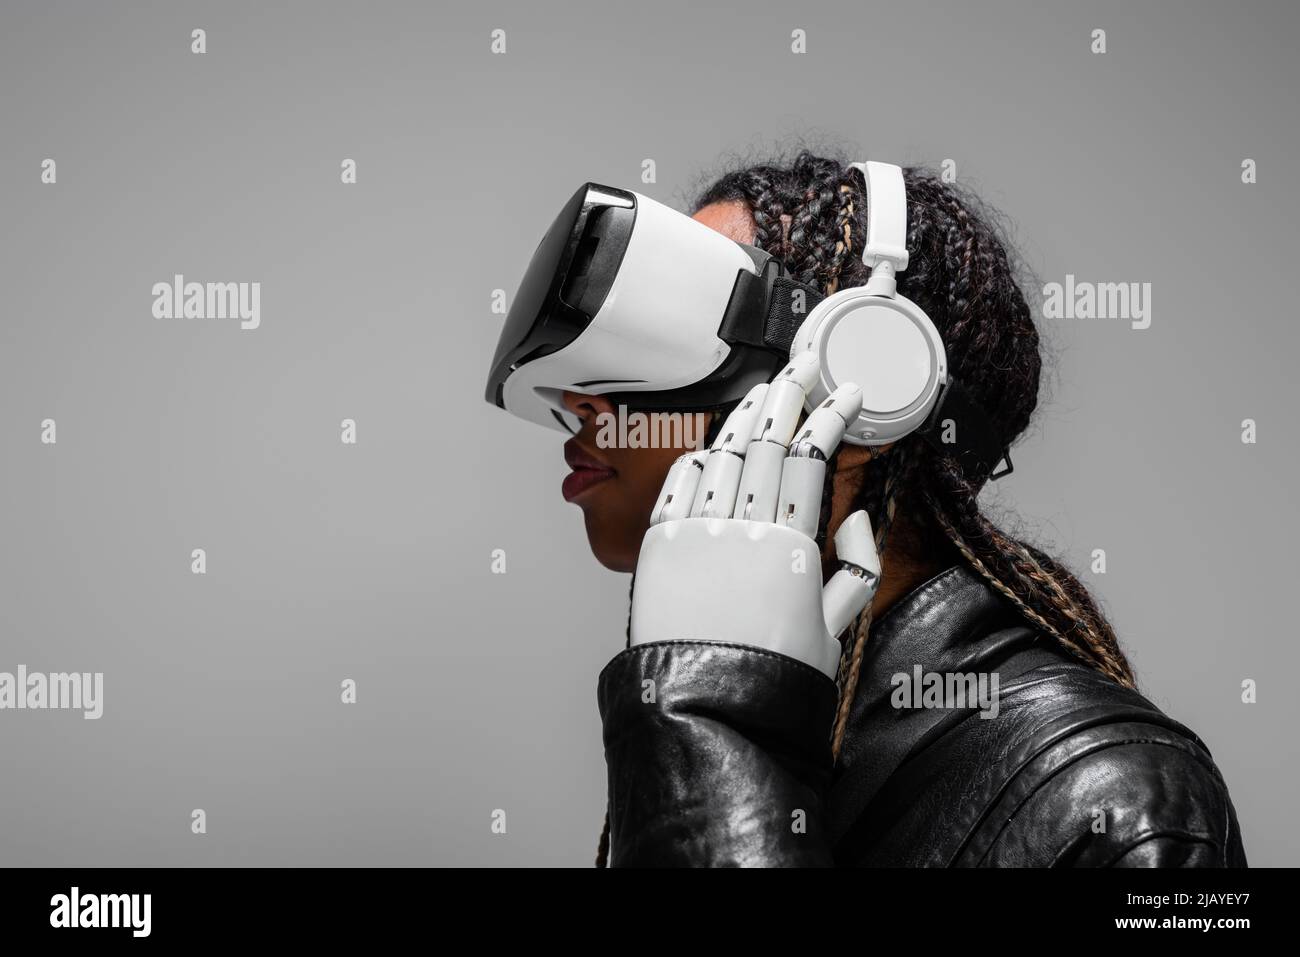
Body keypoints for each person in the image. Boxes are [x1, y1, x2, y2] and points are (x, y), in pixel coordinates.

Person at [552, 149, 1247, 867]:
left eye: (678, 338)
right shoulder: (783, 714)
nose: (581, 401)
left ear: (860, 400)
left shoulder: (1119, 808)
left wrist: (710, 730)